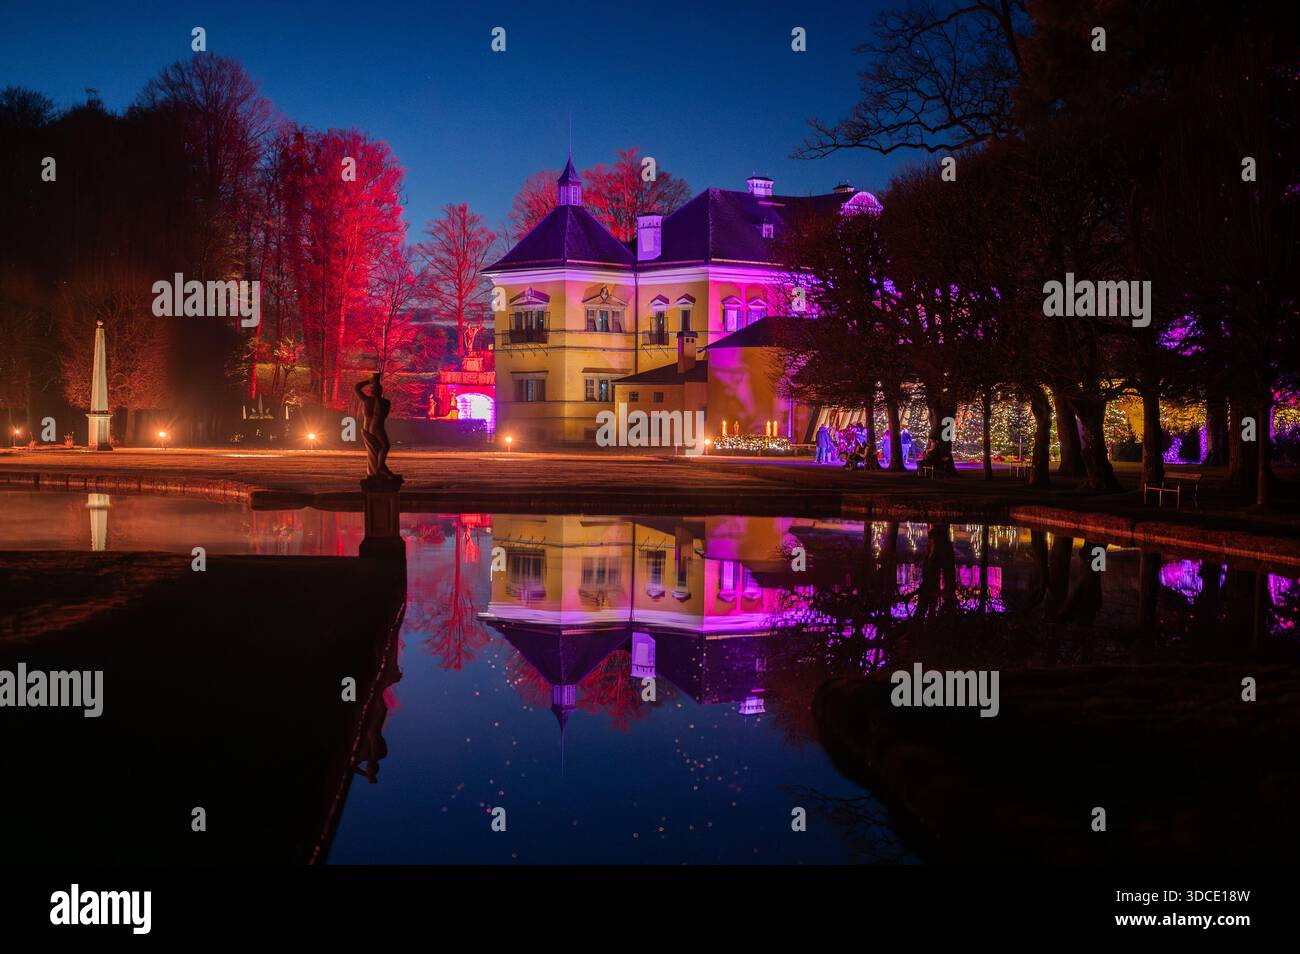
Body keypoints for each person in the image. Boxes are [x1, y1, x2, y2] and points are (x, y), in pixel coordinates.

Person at [354, 373, 396, 478]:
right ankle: (380, 466)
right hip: (377, 427)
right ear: (380, 392)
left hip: (367, 427)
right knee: (384, 446)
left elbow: (357, 387)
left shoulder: (367, 400)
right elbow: (385, 414)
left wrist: (370, 381)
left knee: (377, 447)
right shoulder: (385, 402)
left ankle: (379, 467)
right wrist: (373, 381)